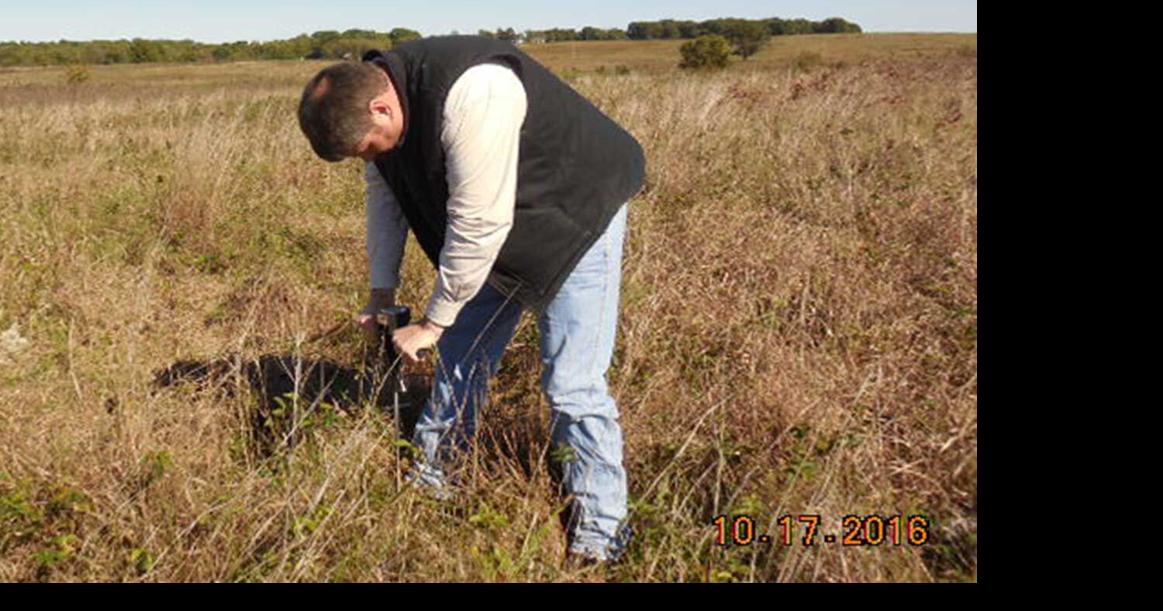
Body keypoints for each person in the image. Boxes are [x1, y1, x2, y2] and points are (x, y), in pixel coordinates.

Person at [297, 35, 644, 564]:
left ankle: (602, 534)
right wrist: (381, 292)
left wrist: (433, 322)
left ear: (381, 107)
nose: (370, 157)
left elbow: (479, 224)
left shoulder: (476, 90)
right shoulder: (375, 110)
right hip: (495, 224)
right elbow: (386, 200)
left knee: (571, 383)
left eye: (367, 146)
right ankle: (434, 478)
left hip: (576, 212)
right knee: (463, 354)